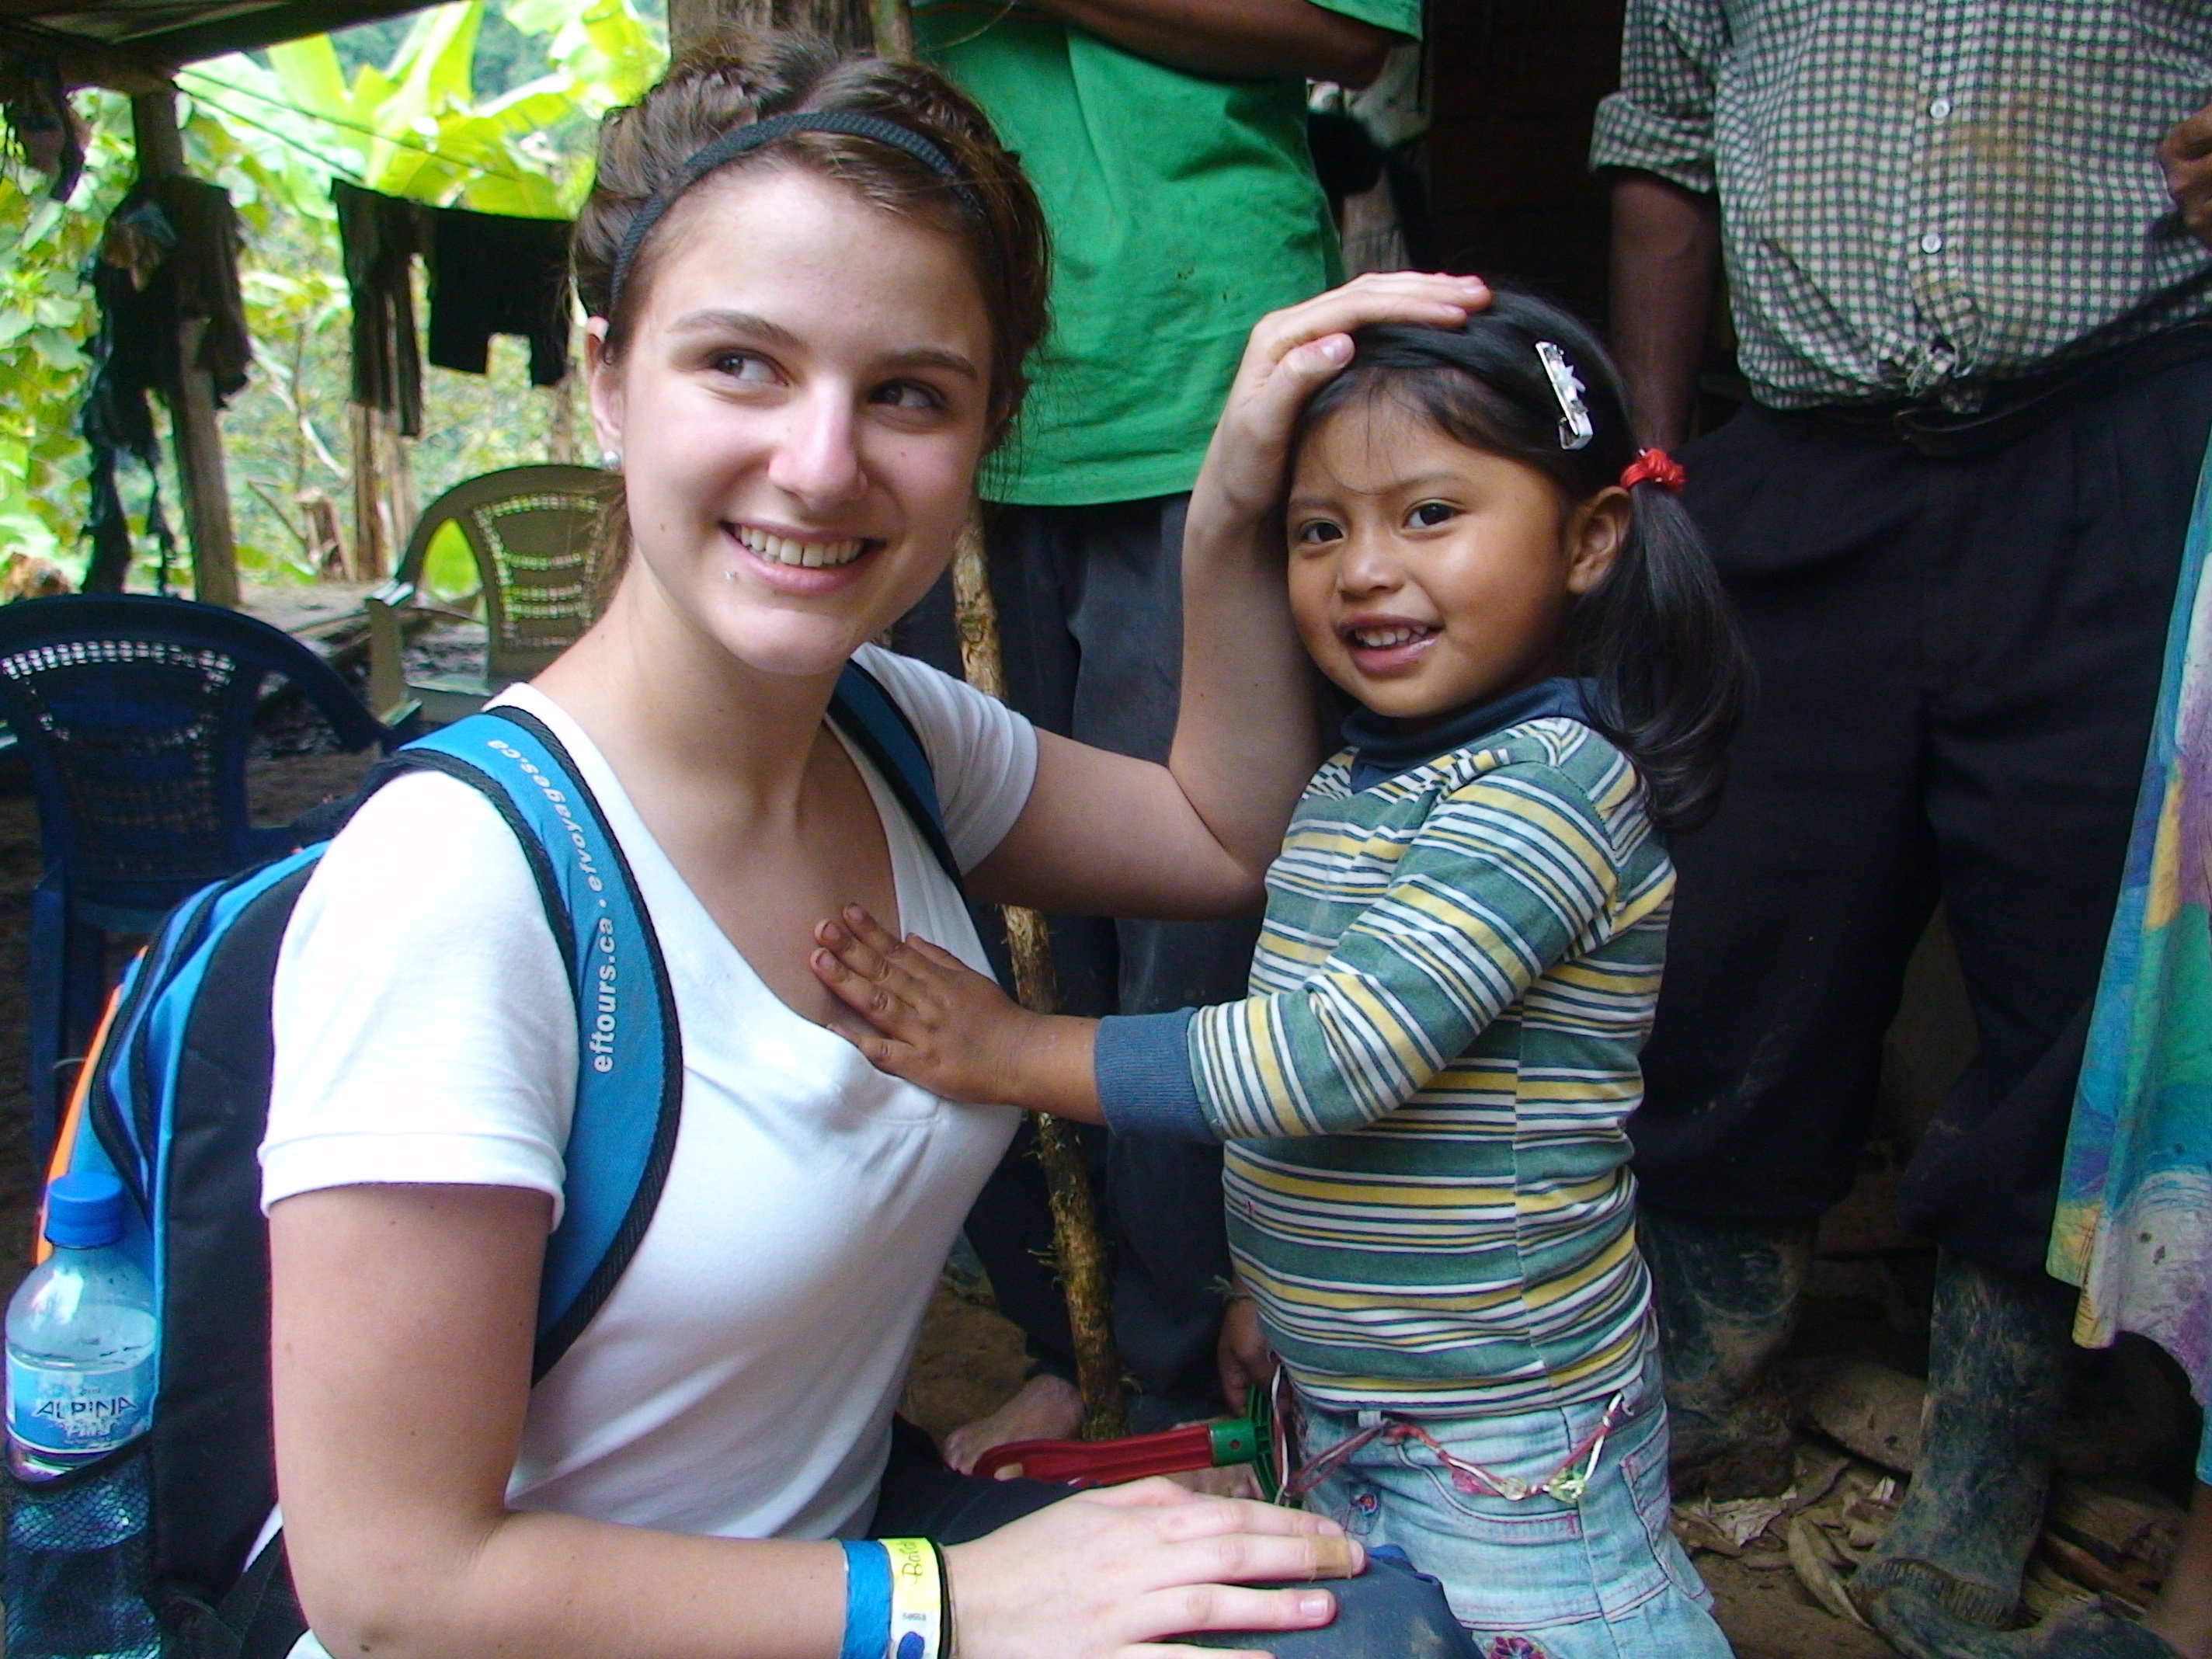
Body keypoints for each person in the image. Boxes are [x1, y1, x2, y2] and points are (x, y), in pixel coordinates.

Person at [263, 30, 1495, 1659]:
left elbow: (1214, 832)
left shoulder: (892, 735)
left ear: (989, 431)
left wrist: (1226, 503)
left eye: (906, 392)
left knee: (1383, 1624)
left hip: (841, 1571)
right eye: (742, 366)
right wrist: (952, 1595)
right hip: (709, 1619)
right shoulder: (462, 887)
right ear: (606, 375)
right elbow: (392, 1595)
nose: (822, 463)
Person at [808, 291, 1751, 1657]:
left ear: (1592, 536)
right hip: (1362, 1395)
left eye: (1429, 516)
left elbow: (1327, 1058)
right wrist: (1272, 1297)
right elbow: (1350, 1111)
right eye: (1320, 531)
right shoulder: (1368, 774)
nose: (1364, 570)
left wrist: (1014, 1052)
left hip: (1510, 1428)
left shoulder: (1553, 788)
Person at [1591, 5, 2212, 1652]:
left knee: (2075, 939)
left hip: (2120, 428)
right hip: (1798, 453)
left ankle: (1992, 1444)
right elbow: (1660, 154)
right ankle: (1699, 1383)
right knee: (1735, 922)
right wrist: (1658, 469)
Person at [895, 0, 1424, 1459]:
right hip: (957, 382)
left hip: (1197, 384)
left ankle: (1188, 1364)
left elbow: (1350, 32)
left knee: (1196, 924)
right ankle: (1070, 1346)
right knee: (980, 914)